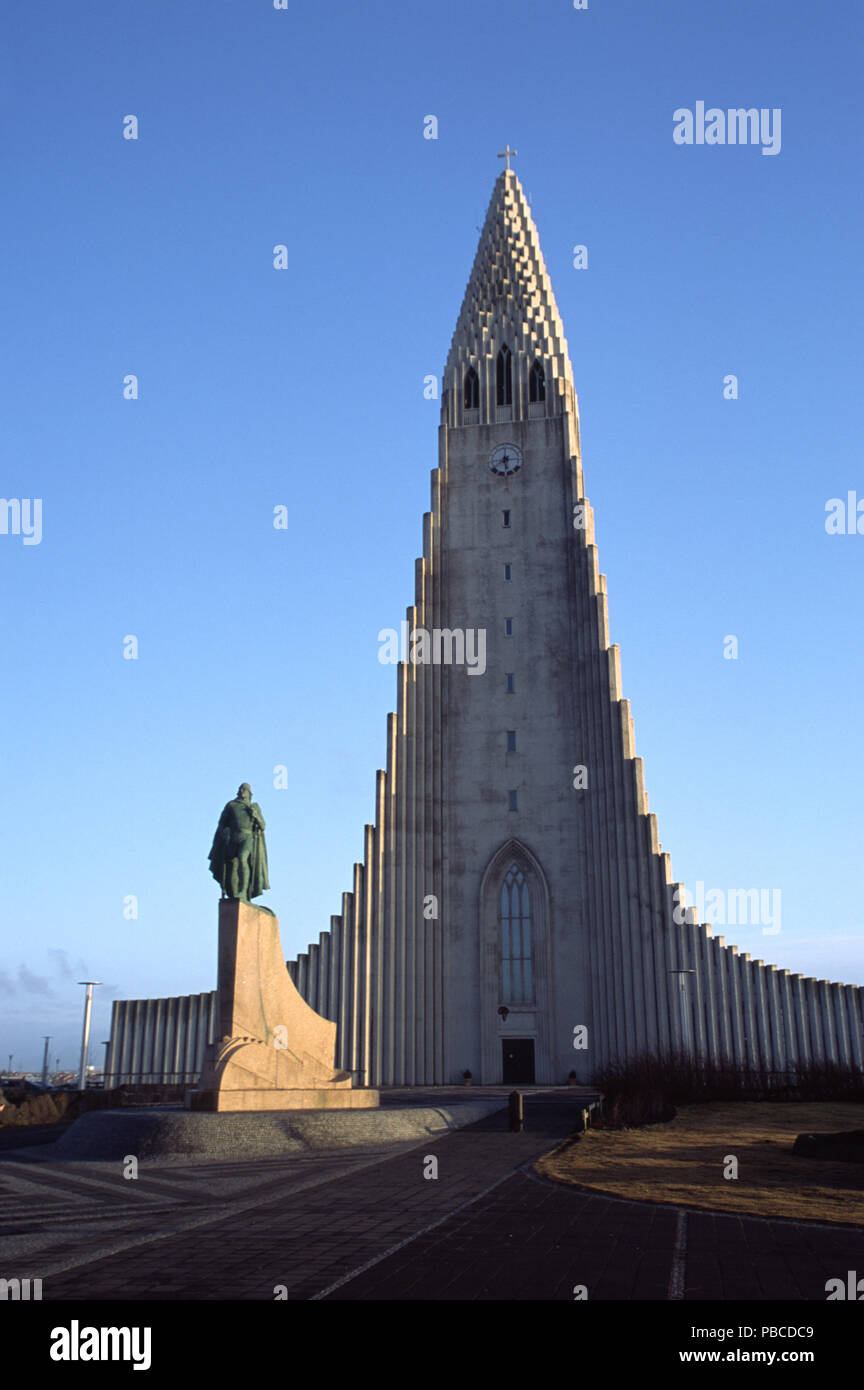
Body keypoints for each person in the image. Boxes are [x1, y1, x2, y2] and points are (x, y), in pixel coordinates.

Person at [208, 783, 270, 902]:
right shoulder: (231, 805)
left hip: (247, 837)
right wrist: (224, 831)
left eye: (245, 789)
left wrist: (255, 815)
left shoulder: (254, 807)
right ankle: (233, 892)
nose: (242, 791)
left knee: (242, 859)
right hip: (233, 838)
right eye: (241, 789)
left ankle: (243, 891)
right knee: (231, 865)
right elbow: (221, 824)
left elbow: (262, 826)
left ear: (249, 793)